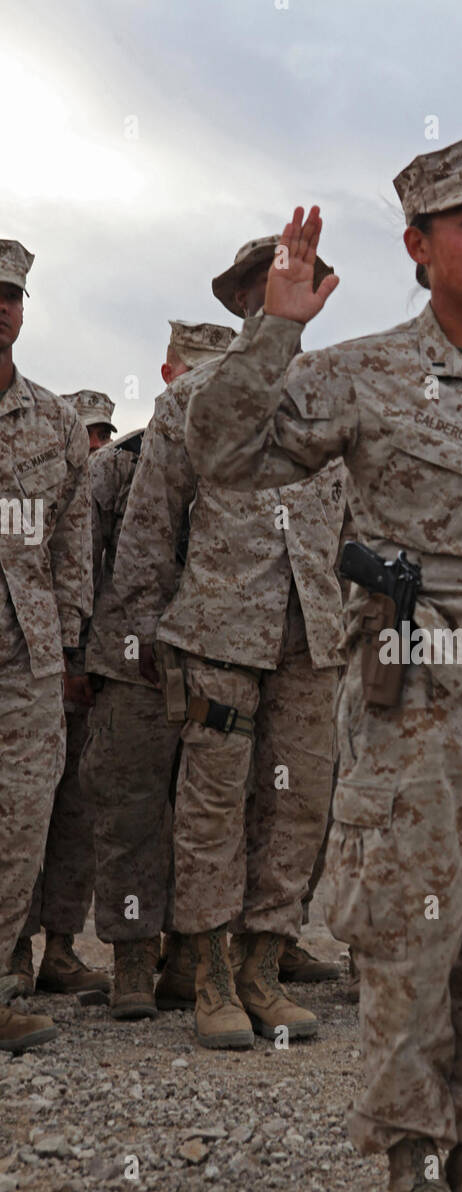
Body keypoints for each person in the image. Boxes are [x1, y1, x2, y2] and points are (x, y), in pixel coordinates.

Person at [183, 138, 462, 1192]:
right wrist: (276, 328)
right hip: (421, 703)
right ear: (416, 248)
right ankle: (411, 1168)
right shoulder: (361, 374)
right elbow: (219, 455)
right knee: (414, 936)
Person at [117, 240, 344, 1047]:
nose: (280, 293)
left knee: (296, 807)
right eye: (264, 282)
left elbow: (362, 522)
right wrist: (139, 627)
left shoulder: (329, 402)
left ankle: (262, 971)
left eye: (297, 281)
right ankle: (210, 977)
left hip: (313, 636)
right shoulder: (195, 401)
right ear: (242, 299)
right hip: (219, 628)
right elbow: (152, 520)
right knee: (212, 803)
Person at [78, 321, 234, 1021]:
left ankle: (193, 958)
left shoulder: (241, 469)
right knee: (132, 812)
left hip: (214, 664)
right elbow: (83, 563)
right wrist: (79, 655)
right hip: (134, 666)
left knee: (206, 817)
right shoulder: (120, 464)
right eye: (193, 371)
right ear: (169, 377)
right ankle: (133, 959)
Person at [0, 239, 92, 1051]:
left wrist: (70, 647)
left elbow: (69, 540)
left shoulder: (56, 421)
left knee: (21, 819)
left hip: (26, 655)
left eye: (9, 295)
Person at [13, 392, 120, 1001]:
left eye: (104, 432)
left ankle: (60, 946)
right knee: (26, 813)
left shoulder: (118, 480)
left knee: (76, 816)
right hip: (38, 662)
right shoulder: (56, 488)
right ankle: (17, 952)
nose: (98, 443)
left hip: (91, 664)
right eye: (89, 432)